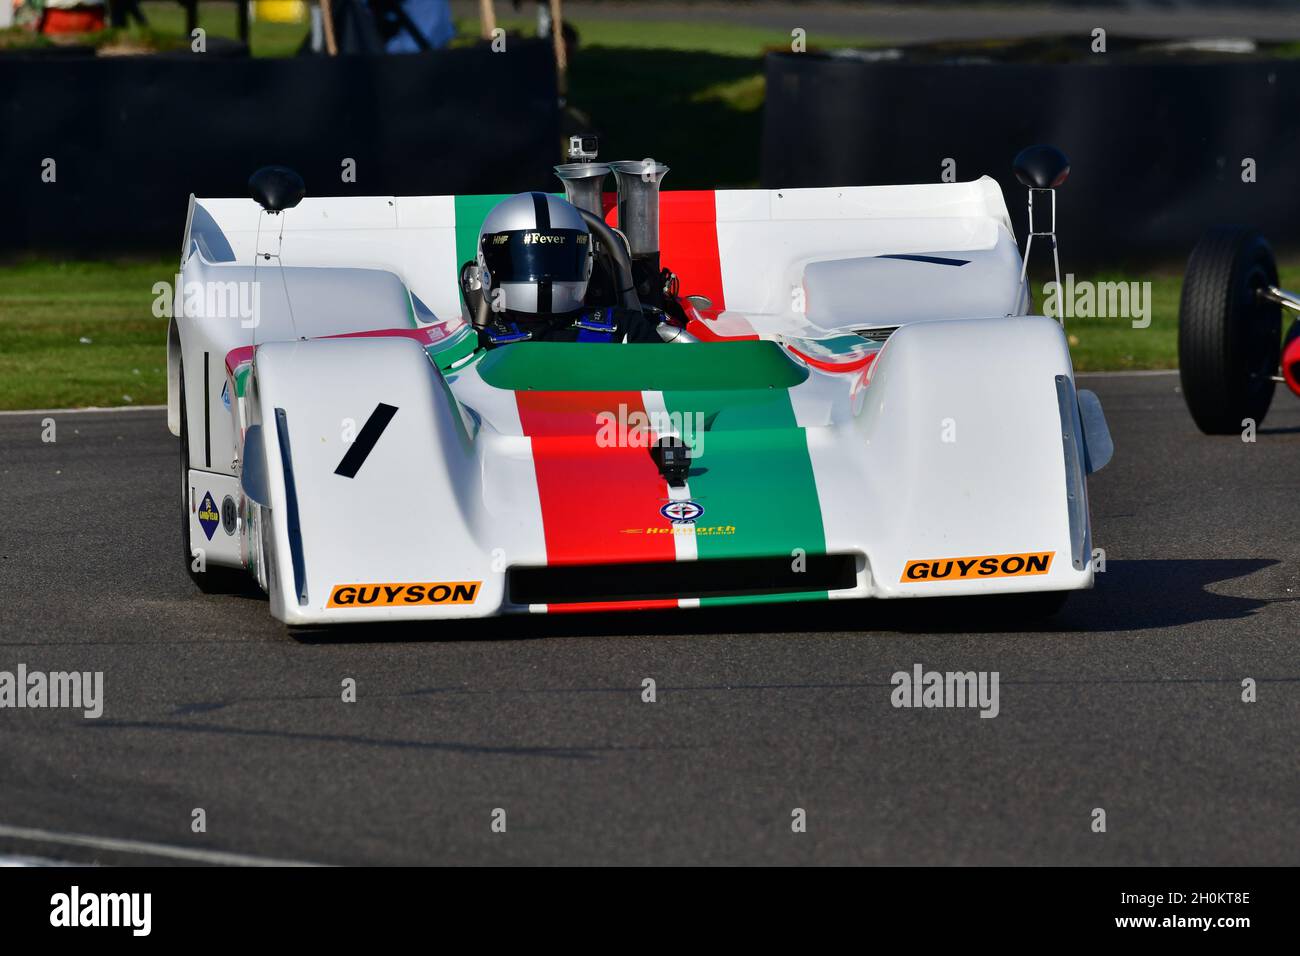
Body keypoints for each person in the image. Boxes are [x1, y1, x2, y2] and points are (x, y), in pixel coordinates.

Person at [466, 192, 666, 348]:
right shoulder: (478, 344)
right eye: (528, 259)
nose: (543, 278)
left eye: (555, 260)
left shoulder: (626, 329)